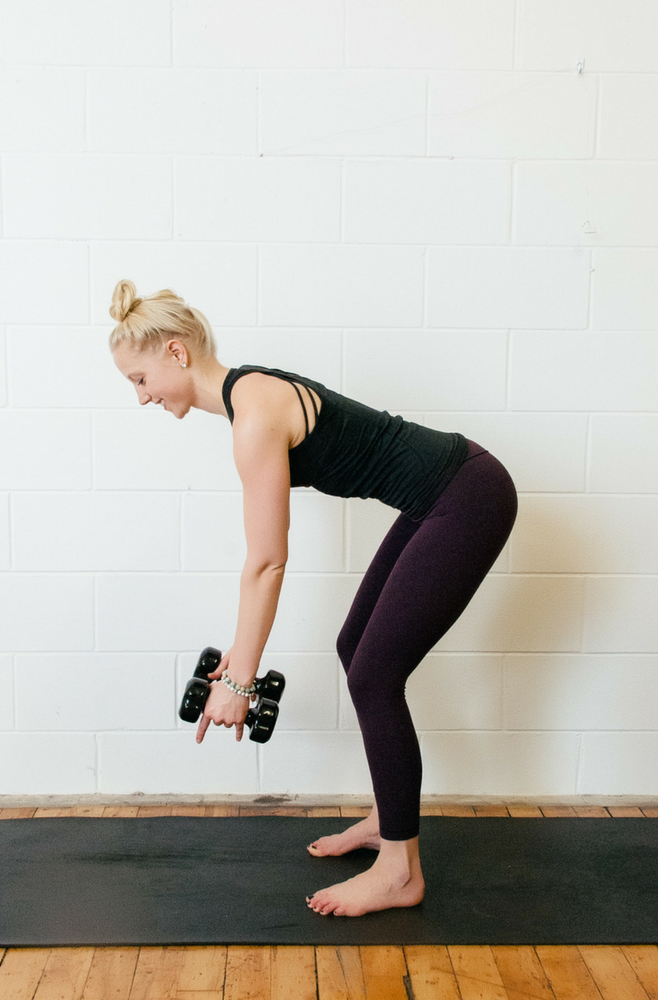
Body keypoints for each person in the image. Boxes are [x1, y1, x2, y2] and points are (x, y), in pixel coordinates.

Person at [108, 280, 517, 917]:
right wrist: (240, 664)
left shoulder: (255, 414)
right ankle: (390, 819)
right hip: (442, 495)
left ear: (176, 353)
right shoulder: (248, 395)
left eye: (140, 378)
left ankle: (400, 872)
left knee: (375, 675)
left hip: (468, 496)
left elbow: (268, 562)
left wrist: (239, 680)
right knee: (357, 649)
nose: (141, 396)